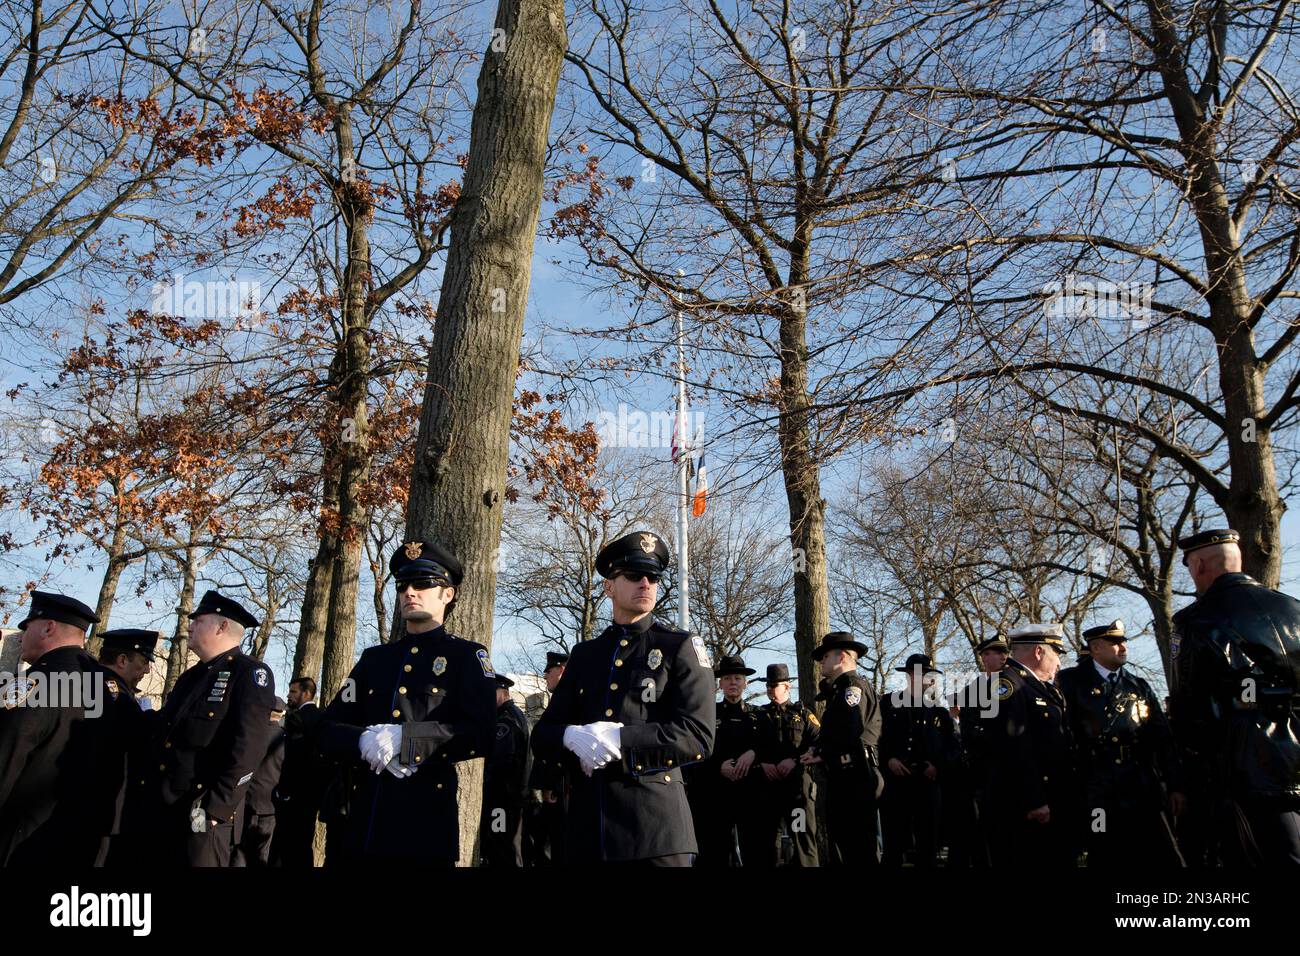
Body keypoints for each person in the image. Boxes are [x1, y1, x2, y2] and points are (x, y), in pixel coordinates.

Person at [531, 530, 715, 865]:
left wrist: (620, 739)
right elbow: (542, 736)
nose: (645, 583)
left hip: (656, 834)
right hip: (590, 832)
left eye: (653, 577)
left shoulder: (679, 647)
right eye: (634, 575)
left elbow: (698, 737)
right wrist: (570, 736)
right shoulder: (585, 655)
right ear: (609, 586)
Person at [317, 539, 496, 866]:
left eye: (423, 583)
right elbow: (327, 728)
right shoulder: (375, 660)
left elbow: (481, 732)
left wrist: (408, 739)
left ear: (447, 594)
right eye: (403, 585)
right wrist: (362, 739)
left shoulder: (467, 657)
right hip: (365, 827)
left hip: (425, 829)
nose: (409, 592)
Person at [1169, 528, 1300, 866]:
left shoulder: (1194, 621)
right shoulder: (1294, 609)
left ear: (1198, 566)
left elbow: (1189, 703)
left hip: (1242, 769)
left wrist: (1187, 772)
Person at [0, 591, 134, 867]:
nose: (22, 635)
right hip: (85, 840)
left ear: (48, 627)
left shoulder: (33, 684)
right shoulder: (112, 689)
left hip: (24, 842)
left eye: (27, 627)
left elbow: (7, 753)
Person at [155, 590, 276, 867]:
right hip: (168, 806)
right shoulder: (191, 677)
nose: (189, 626)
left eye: (198, 621)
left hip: (203, 814)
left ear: (222, 626)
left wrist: (216, 808)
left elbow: (248, 748)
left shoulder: (249, 674)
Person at [1058, 619, 1183, 867]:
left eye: (1124, 641)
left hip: (1140, 786)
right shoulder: (1071, 682)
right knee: (1103, 851)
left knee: (1160, 853)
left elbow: (1163, 739)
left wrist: (1175, 785)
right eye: (1114, 642)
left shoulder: (1138, 685)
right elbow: (1061, 735)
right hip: (1096, 790)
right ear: (1095, 648)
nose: (1123, 646)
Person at [981, 623, 1076, 867]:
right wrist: (1034, 799)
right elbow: (1013, 747)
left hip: (1049, 799)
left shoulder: (1042, 689)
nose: (1058, 664)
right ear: (1039, 652)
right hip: (1024, 806)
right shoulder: (1006, 685)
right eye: (1056, 655)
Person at [801, 630, 882, 866]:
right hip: (844, 774)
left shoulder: (852, 689)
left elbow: (850, 730)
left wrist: (822, 752)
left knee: (859, 849)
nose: (821, 662)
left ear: (842, 657)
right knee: (846, 846)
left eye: (825, 656)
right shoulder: (838, 692)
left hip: (855, 776)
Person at [880, 653, 959, 867]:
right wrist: (889, 760)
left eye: (929, 675)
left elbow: (952, 749)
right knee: (893, 847)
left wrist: (937, 766)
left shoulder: (939, 713)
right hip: (896, 784)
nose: (927, 679)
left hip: (927, 785)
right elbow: (877, 738)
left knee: (927, 847)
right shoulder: (888, 704)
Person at [688, 654, 765, 866]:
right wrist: (717, 766)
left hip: (750, 794)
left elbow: (771, 747)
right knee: (714, 852)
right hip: (715, 794)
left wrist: (754, 753)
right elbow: (695, 749)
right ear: (720, 683)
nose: (733, 682)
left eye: (738, 678)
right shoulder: (707, 714)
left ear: (746, 683)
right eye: (728, 678)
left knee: (754, 851)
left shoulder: (759, 716)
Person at [97, 628, 162, 868]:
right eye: (144, 662)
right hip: (99, 810)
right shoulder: (111, 692)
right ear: (122, 660)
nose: (146, 670)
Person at [753, 663, 820, 866]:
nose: (770, 689)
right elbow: (747, 747)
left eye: (775, 685)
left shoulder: (804, 714)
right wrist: (762, 763)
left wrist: (796, 761)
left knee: (801, 839)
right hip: (768, 791)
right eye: (768, 685)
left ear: (787, 687)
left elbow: (820, 742)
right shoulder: (757, 716)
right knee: (766, 843)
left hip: (797, 791)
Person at [951, 635, 1009, 867]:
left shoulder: (1018, 682)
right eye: (996, 652)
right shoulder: (973, 689)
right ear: (984, 657)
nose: (1003, 656)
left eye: (1004, 652)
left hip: (1012, 769)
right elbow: (968, 726)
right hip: (983, 769)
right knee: (986, 830)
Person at [270, 676, 325, 867]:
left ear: (307, 693)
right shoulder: (319, 717)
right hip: (309, 796)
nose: (289, 695)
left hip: (294, 795)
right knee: (301, 846)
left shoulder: (300, 718)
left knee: (290, 847)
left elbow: (294, 760)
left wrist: (283, 792)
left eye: (293, 692)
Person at [524, 651, 568, 865]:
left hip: (562, 789)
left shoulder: (569, 699)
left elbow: (562, 745)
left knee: (556, 847)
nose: (545, 676)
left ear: (561, 670)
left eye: (549, 671)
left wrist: (553, 782)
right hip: (554, 788)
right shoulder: (560, 698)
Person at [482, 674, 530, 866]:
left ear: (502, 693)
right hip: (511, 798)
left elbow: (500, 761)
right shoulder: (517, 715)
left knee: (502, 847)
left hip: (502, 799)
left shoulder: (505, 720)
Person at [233, 697, 287, 867]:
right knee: (261, 854)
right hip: (269, 805)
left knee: (240, 850)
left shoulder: (253, 734)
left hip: (246, 801)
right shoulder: (286, 740)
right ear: (281, 713)